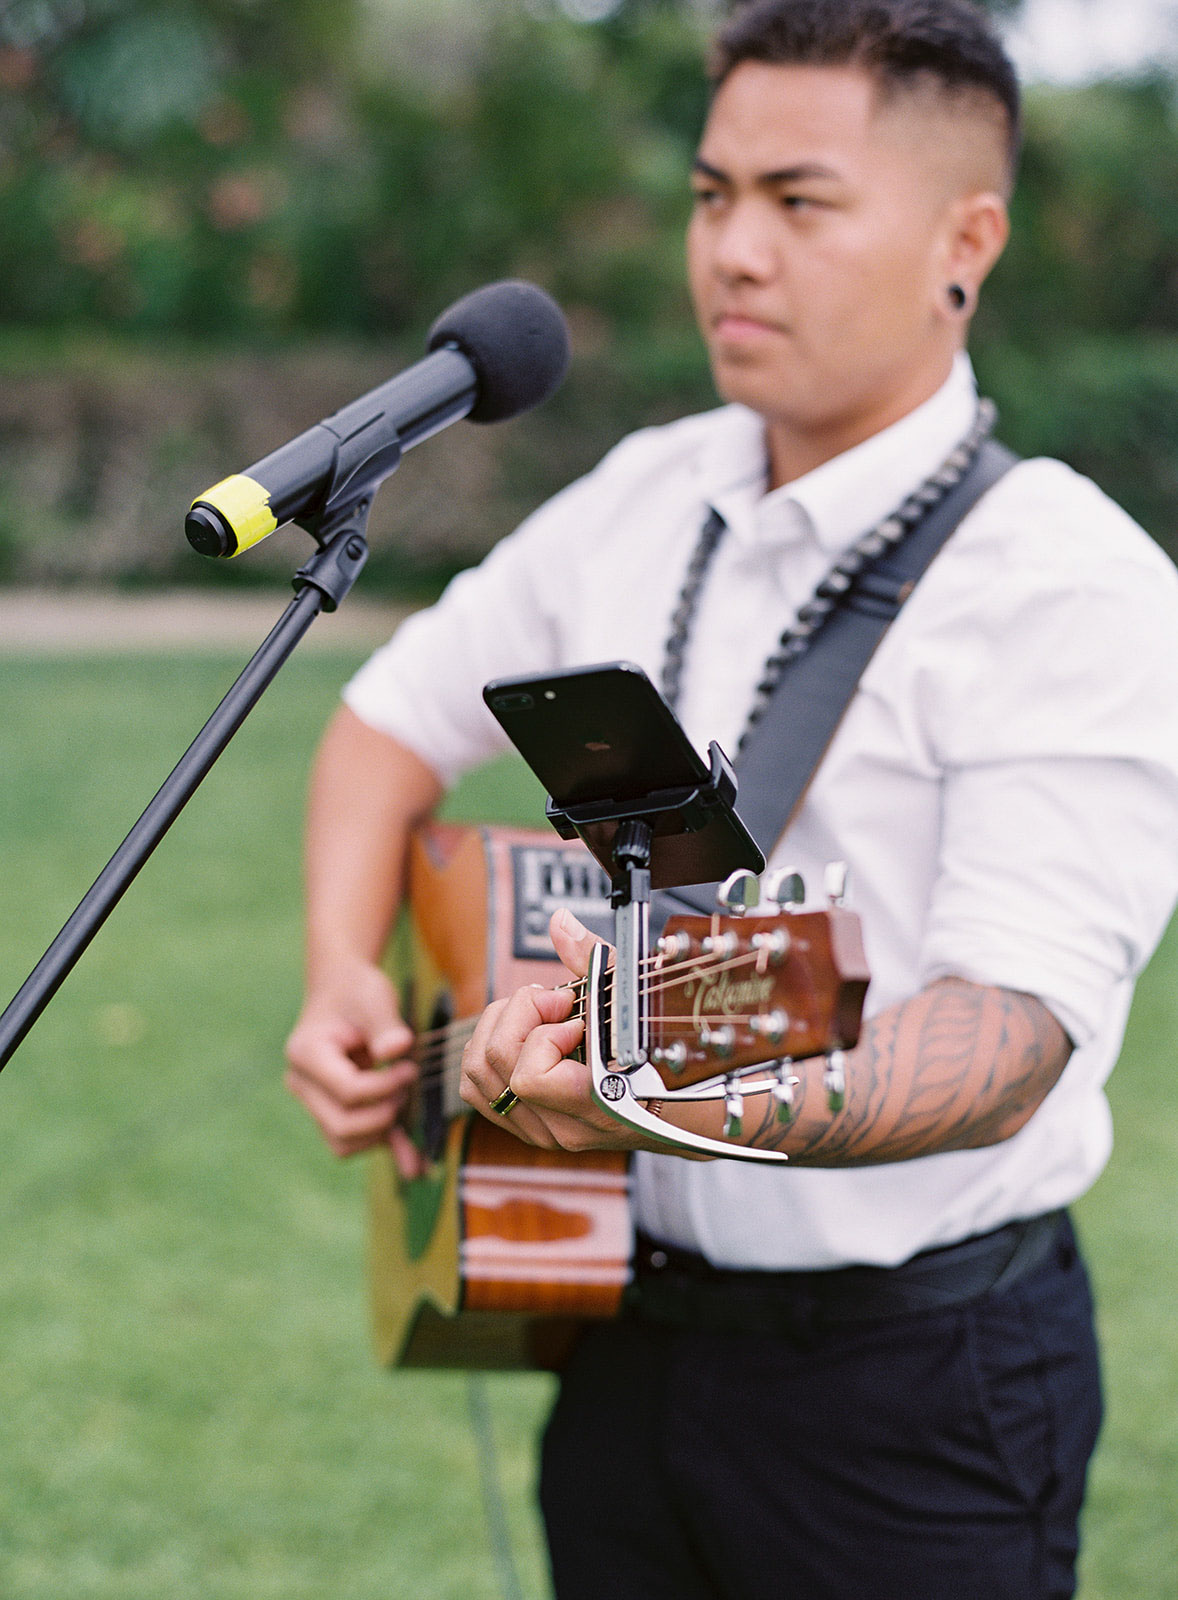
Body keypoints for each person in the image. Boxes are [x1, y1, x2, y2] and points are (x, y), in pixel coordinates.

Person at [284, 3, 1178, 1595]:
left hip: (915, 1387)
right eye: (710, 196)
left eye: (799, 199)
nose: (733, 252)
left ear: (962, 240)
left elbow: (1005, 1041)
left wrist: (644, 1095)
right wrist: (347, 972)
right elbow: (380, 723)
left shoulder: (1073, 585)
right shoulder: (645, 491)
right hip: (621, 1334)